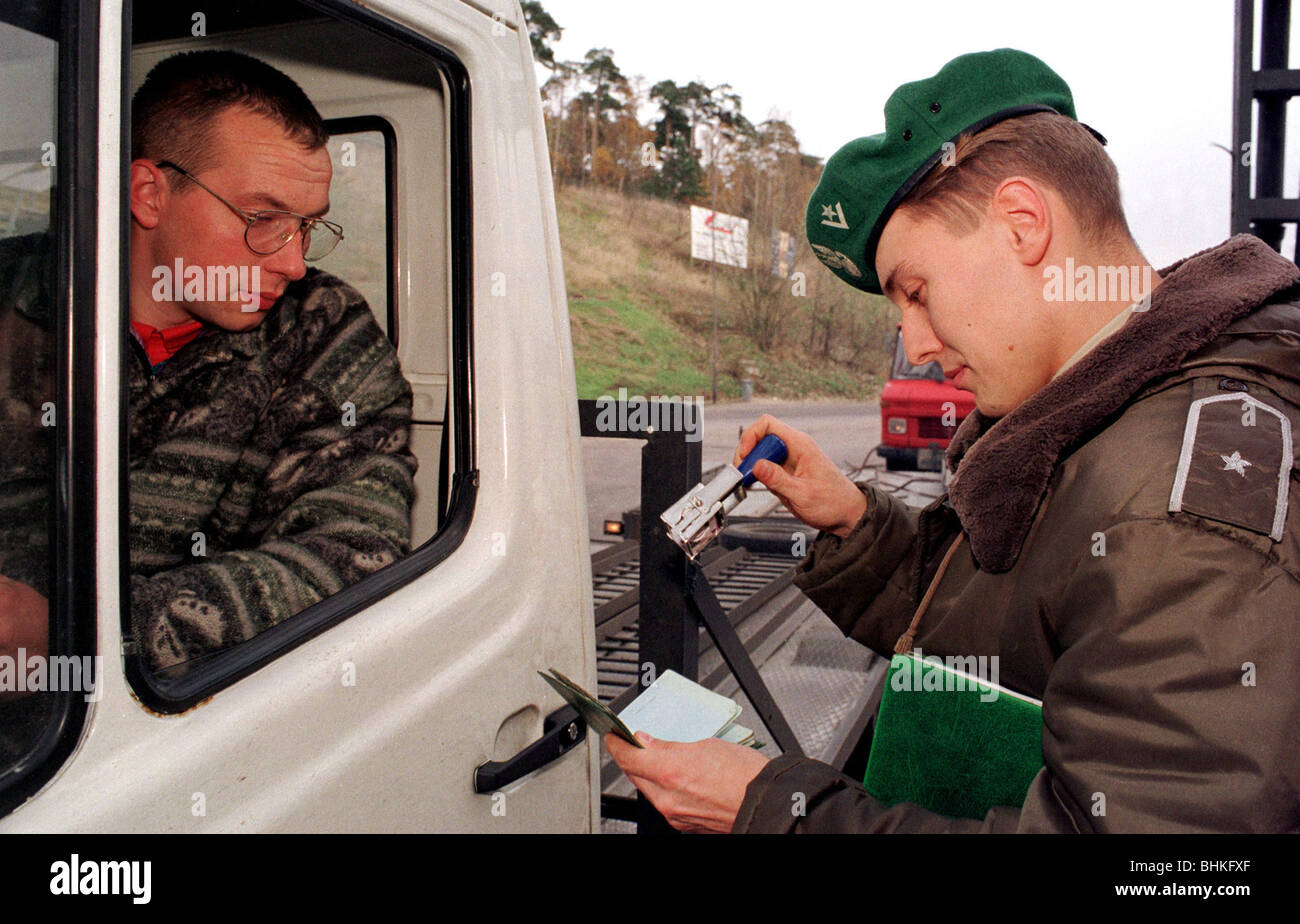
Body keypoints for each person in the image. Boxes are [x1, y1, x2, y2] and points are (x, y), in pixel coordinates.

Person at [606, 48, 1300, 833]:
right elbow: (1016, 619)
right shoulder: (1106, 414)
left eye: (917, 291)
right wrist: (853, 521)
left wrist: (778, 813)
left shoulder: (1185, 506)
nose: (918, 341)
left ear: (1022, 222)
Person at [0, 50, 417, 676]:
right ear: (149, 194)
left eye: (307, 226)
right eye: (262, 218)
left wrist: (75, 633)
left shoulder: (323, 332)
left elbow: (352, 555)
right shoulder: (14, 295)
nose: (293, 262)